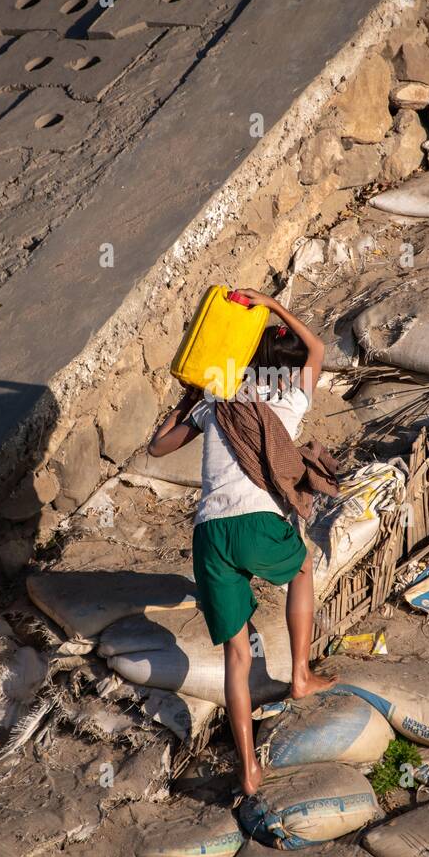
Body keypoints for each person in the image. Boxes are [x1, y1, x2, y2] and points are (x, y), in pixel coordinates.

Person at [148, 288, 335, 796]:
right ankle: (299, 673)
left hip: (209, 534)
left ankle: (248, 770)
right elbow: (316, 349)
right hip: (254, 522)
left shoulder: (218, 397)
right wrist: (272, 306)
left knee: (236, 656)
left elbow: (157, 448)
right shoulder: (291, 397)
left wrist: (189, 395)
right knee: (300, 570)